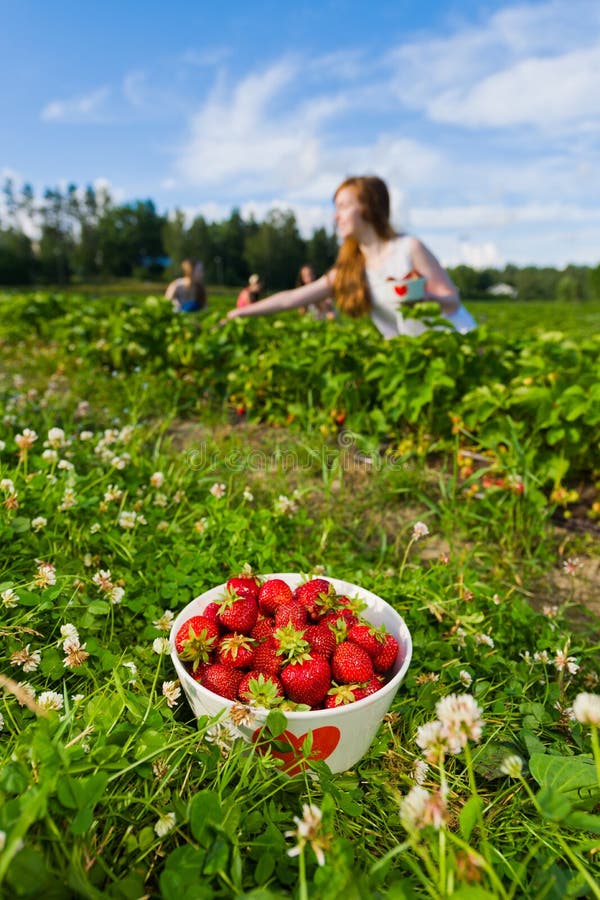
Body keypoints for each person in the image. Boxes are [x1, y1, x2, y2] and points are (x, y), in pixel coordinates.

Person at [226, 176, 476, 337]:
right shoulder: (352, 269)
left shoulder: (409, 248)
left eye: (344, 206)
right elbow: (291, 298)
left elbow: (452, 301)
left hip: (455, 344)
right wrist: (241, 313)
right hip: (415, 358)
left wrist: (424, 297)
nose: (337, 216)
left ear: (368, 207)